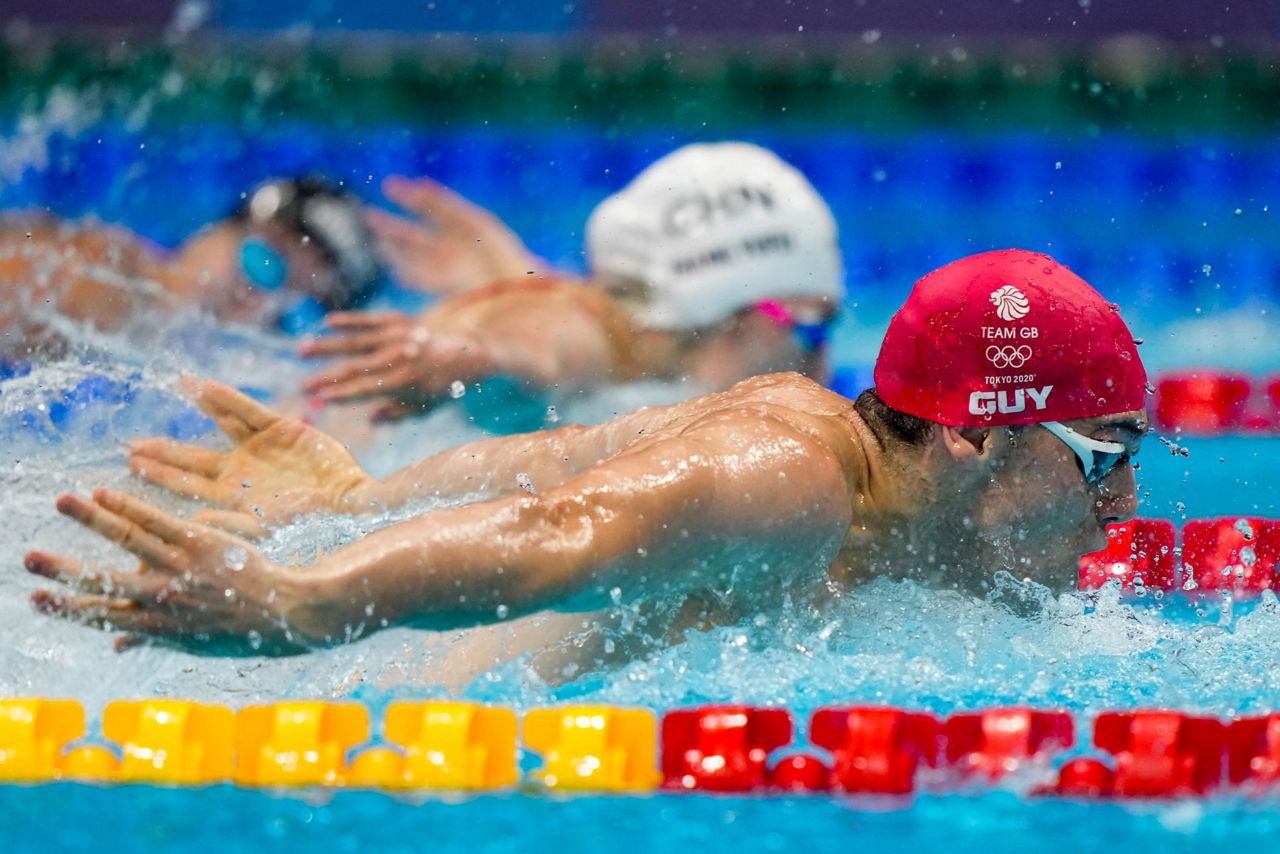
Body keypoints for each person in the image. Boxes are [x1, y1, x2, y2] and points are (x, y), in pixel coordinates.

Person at [24, 249, 1149, 661]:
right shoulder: (788, 475)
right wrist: (309, 596)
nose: (1122, 505)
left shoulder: (851, 460)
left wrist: (359, 498)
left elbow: (570, 456)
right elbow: (558, 526)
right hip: (385, 717)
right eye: (1098, 455)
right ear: (970, 435)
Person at [298, 142, 845, 426]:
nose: (822, 362)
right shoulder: (581, 336)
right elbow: (544, 346)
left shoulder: (647, 357)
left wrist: (513, 272)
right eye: (813, 327)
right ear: (730, 313)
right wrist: (470, 354)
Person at [0, 176, 386, 355]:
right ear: (217, 232)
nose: (256, 306)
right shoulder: (99, 275)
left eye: (286, 313)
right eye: (264, 265)